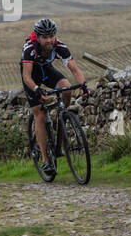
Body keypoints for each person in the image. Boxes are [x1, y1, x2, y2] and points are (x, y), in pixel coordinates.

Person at [20, 18, 88, 179]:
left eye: (51, 36)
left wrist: (83, 86)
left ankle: (62, 117)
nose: (49, 40)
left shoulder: (59, 46)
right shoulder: (30, 49)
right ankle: (45, 159)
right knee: (40, 114)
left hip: (47, 70)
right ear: (37, 37)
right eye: (45, 37)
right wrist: (36, 89)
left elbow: (75, 69)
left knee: (66, 87)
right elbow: (26, 76)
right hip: (32, 77)